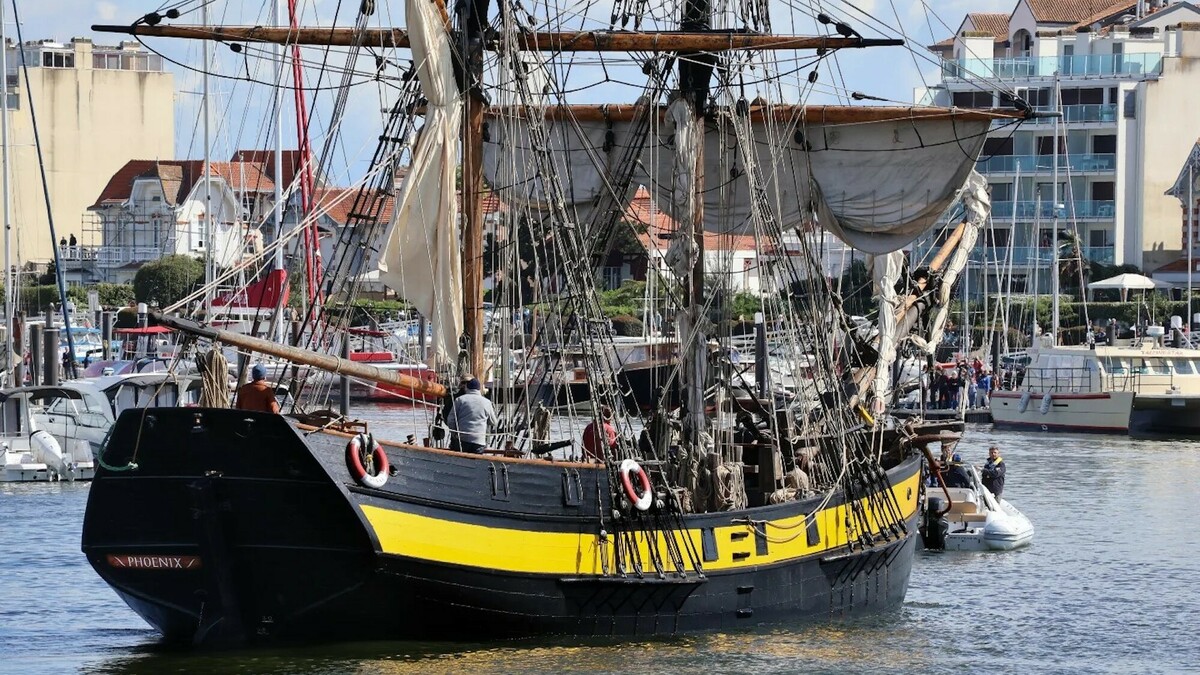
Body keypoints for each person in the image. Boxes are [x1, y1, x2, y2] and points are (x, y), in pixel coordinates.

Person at [446, 378, 497, 454]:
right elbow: (494, 422)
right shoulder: (487, 402)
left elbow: (450, 420)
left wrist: (455, 434)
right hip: (479, 441)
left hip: (462, 440)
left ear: (467, 387)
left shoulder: (460, 400)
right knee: (477, 459)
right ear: (479, 389)